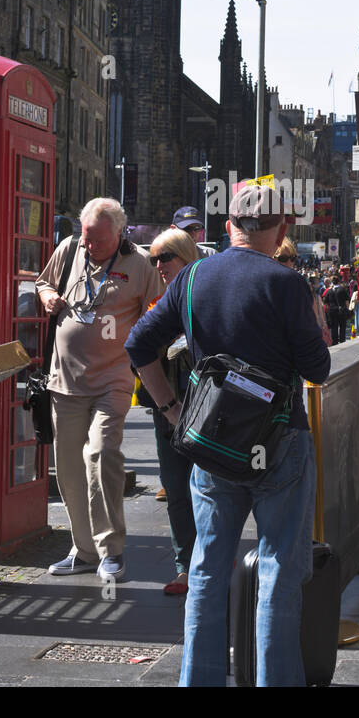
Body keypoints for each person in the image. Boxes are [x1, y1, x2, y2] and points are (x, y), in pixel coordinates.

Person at [125, 183, 331, 686]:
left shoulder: (193, 276)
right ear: (283, 228)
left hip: (212, 444)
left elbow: (138, 345)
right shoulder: (286, 285)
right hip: (280, 444)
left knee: (207, 570)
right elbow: (318, 370)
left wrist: (172, 409)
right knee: (279, 572)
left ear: (227, 226)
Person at [37, 197, 160, 582]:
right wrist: (46, 297)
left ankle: (111, 550)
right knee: (71, 472)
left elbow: (157, 311)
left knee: (102, 453)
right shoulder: (69, 248)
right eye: (87, 239)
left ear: (119, 233)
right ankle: (84, 550)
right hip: (65, 382)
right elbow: (41, 282)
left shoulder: (139, 265)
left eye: (99, 242)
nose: (90, 248)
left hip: (113, 379)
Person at [144, 226, 200, 596]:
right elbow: (140, 352)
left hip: (207, 413)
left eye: (165, 257)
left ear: (186, 256)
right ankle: (185, 566)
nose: (158, 265)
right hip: (167, 413)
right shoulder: (157, 305)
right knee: (177, 490)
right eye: (153, 259)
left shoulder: (204, 297)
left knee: (209, 492)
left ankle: (211, 555)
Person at [276, 239, 331, 344]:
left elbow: (312, 321)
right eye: (283, 259)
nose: (289, 263)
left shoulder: (300, 285)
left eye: (292, 258)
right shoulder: (265, 286)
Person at [322, 273, 351, 345]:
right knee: (342, 326)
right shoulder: (342, 289)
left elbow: (325, 303)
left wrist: (328, 310)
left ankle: (334, 341)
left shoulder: (329, 291)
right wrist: (347, 309)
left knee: (334, 327)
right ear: (339, 281)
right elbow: (347, 300)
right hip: (341, 310)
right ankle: (342, 340)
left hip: (332, 311)